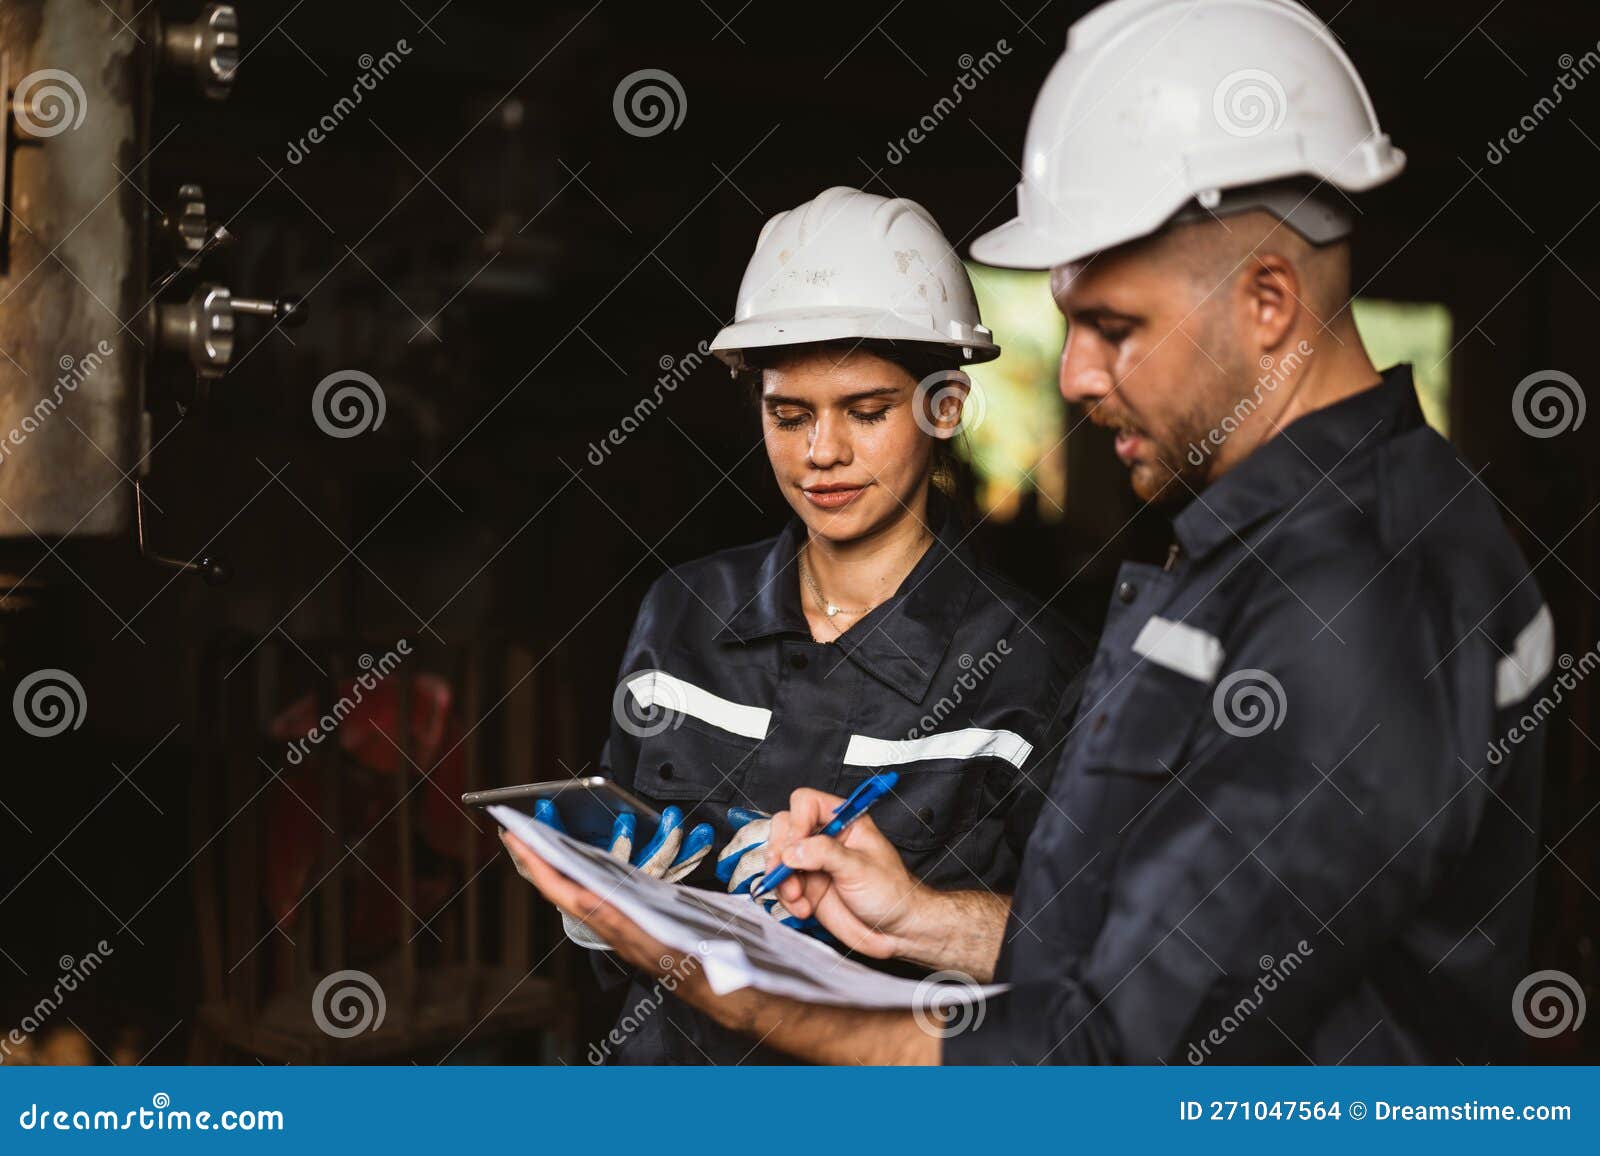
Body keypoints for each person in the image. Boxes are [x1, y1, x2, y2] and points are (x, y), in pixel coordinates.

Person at [503, 0, 1548, 1065]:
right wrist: (916, 916)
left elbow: (1119, 1057)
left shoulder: (1347, 590)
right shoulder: (1292, 546)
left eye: (1113, 328)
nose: (1073, 377)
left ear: (1268, 300)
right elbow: (1136, 958)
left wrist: (771, 1007)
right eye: (787, 412)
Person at [536, 185, 1091, 1064]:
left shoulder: (1033, 671)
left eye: (866, 412)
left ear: (944, 407)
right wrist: (600, 902)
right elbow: (617, 852)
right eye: (787, 415)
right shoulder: (681, 615)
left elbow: (1092, 967)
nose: (820, 452)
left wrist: (920, 915)